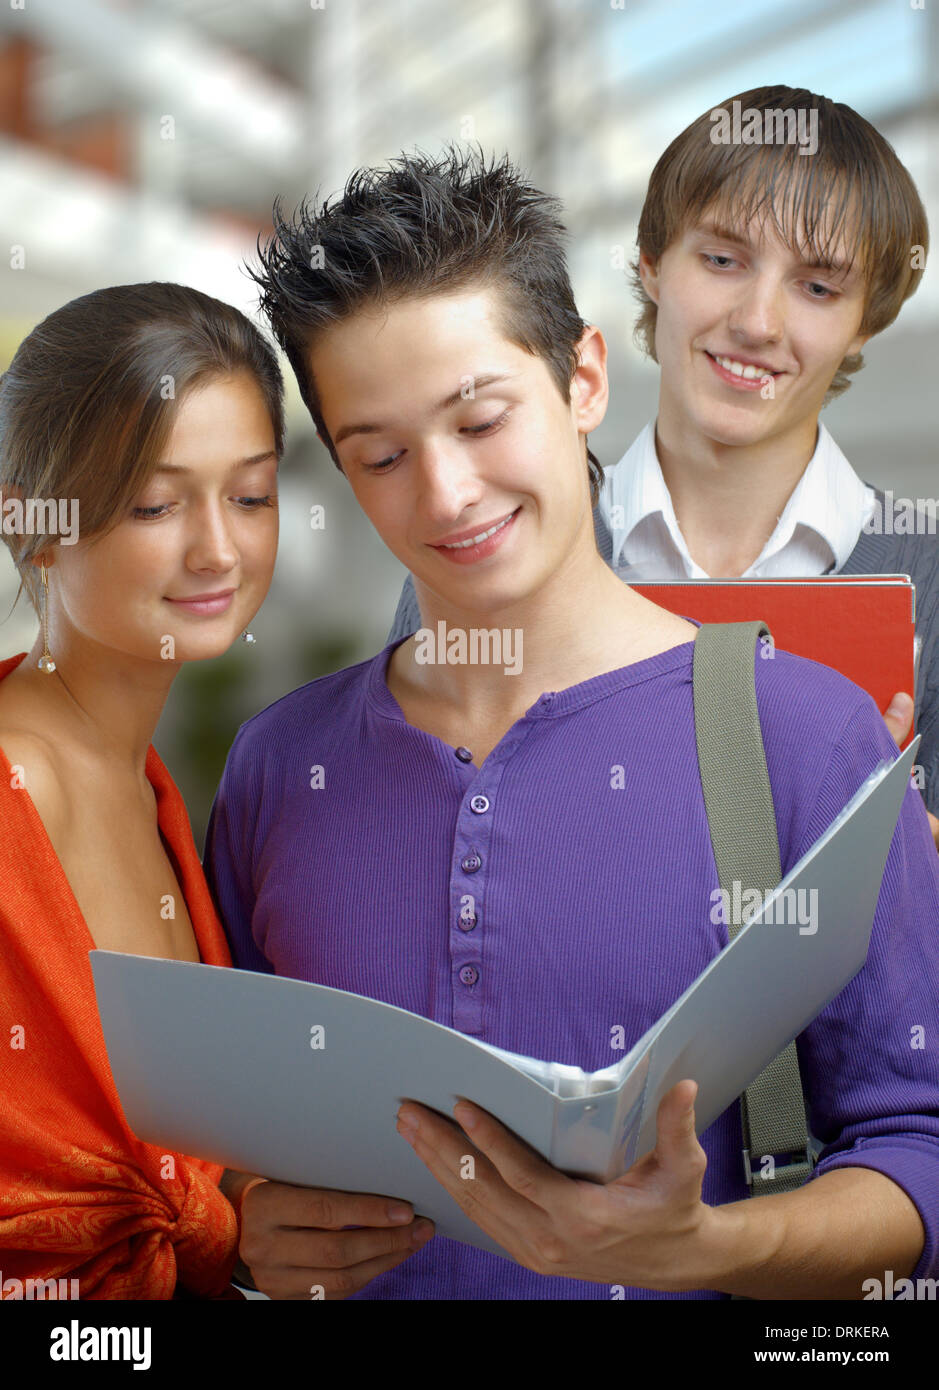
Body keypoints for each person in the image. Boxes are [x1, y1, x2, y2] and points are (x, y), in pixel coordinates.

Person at [206, 147, 939, 1301]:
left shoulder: (809, 738)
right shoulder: (277, 766)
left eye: (480, 420)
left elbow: (917, 1147)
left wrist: (711, 1249)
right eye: (381, 456)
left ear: (584, 378)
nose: (445, 494)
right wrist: (248, 1218)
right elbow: (232, 1123)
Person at [386, 87, 939, 848]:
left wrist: (909, 862)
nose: (757, 323)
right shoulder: (480, 551)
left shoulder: (927, 570)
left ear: (863, 324)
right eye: (721, 260)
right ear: (650, 265)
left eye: (817, 287)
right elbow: (408, 854)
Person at [0, 283, 283, 1299]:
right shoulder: (16, 786)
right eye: (156, 505)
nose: (219, 549)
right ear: (31, 523)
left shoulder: (149, 786)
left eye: (251, 495)